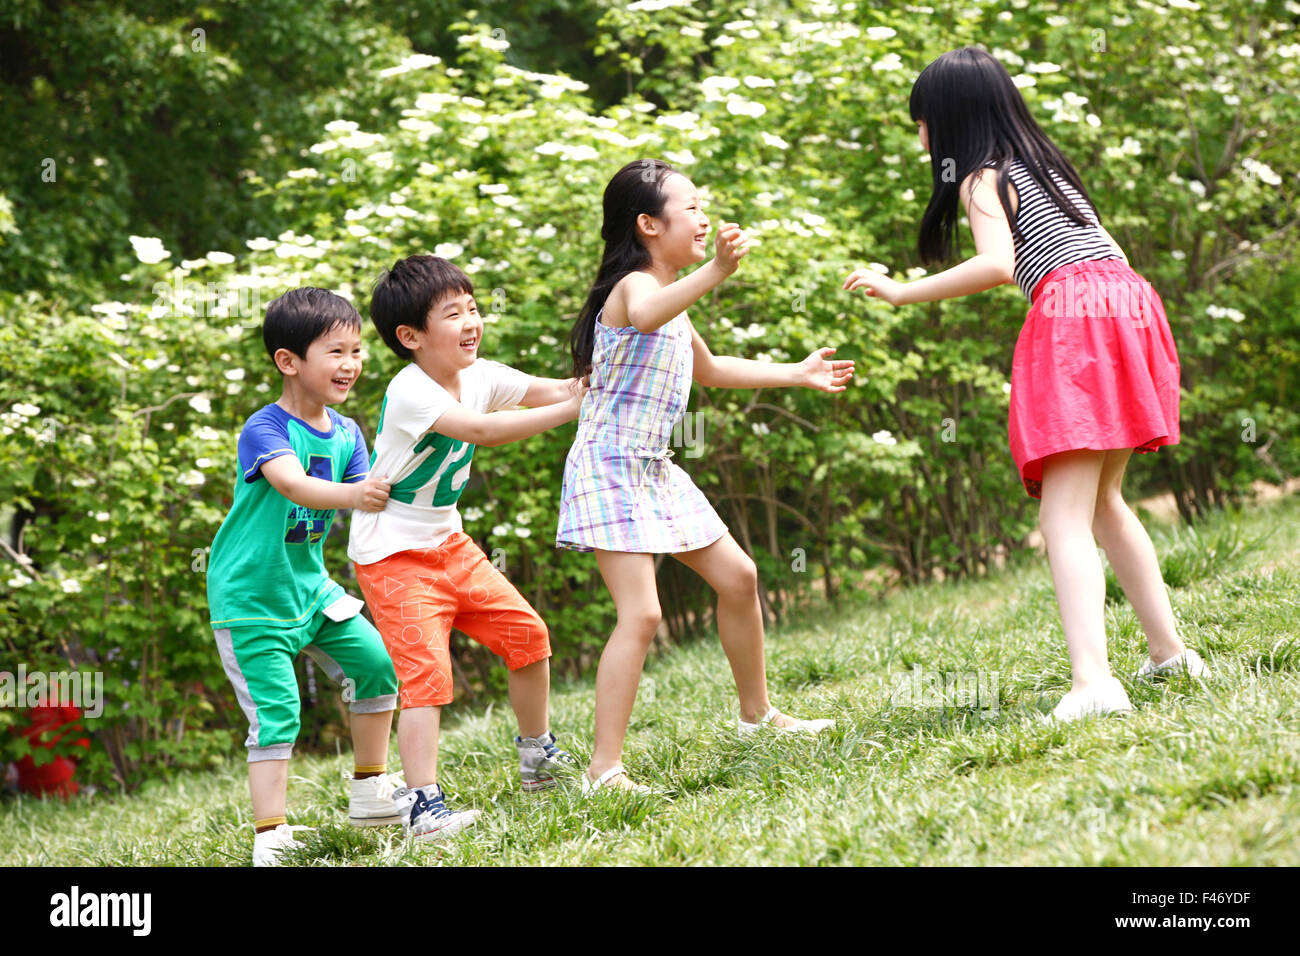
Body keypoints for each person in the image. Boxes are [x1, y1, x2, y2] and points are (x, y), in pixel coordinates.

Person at [843, 47, 1211, 723]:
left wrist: (901, 293)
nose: (921, 136)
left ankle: (1093, 682)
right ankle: (1169, 653)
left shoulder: (980, 179)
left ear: (948, 119)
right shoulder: (1049, 167)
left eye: (921, 121)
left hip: (1074, 314)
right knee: (1105, 502)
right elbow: (1115, 256)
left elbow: (995, 265)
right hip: (1131, 306)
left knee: (1061, 516)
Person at [559, 160, 855, 793]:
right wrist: (716, 270)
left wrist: (796, 373)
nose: (703, 217)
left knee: (739, 576)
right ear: (647, 224)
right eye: (689, 207)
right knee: (640, 615)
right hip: (608, 468)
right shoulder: (635, 287)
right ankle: (603, 771)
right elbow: (643, 317)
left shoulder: (672, 299)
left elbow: (712, 371)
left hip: (653, 469)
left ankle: (759, 715)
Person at [350, 254, 584, 842]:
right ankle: (423, 806)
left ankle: (538, 758)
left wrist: (602, 376)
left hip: (449, 541)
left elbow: (551, 388)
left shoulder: (479, 374)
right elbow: (483, 430)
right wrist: (575, 409)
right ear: (411, 338)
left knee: (527, 637)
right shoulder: (411, 389)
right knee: (426, 676)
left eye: (473, 308)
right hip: (393, 555)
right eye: (453, 314)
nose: (472, 321)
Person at [206, 287, 400, 867]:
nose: (351, 364)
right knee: (278, 713)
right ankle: (271, 836)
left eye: (357, 351)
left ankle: (370, 791)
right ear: (288, 361)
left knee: (377, 666)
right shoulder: (265, 428)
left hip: (311, 589)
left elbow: (376, 503)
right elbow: (295, 485)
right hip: (252, 599)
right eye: (335, 352)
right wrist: (355, 495)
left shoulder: (346, 434)